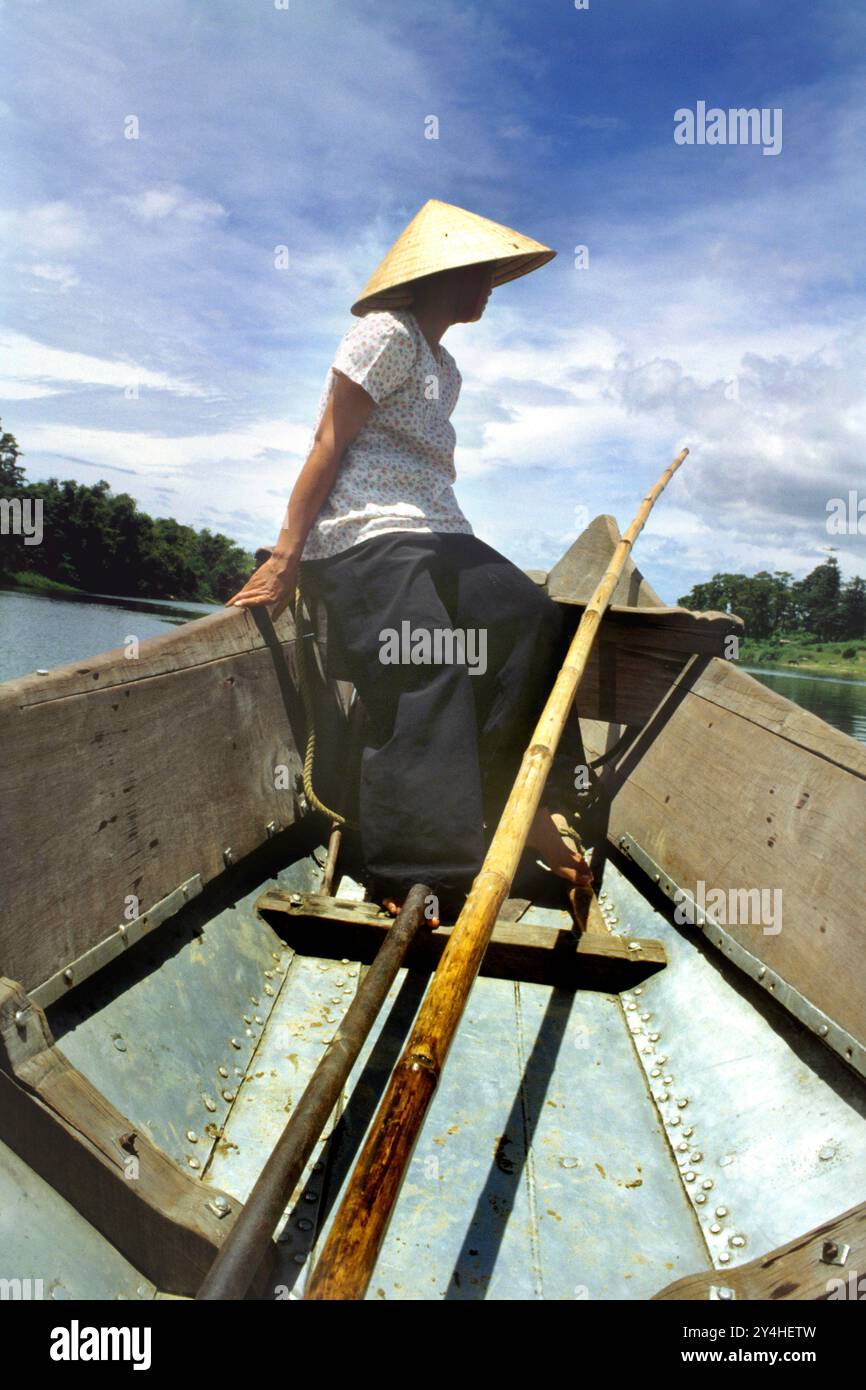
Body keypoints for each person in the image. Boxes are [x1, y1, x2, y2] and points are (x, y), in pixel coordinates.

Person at [227, 199, 592, 920]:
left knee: (532, 621)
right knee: (424, 656)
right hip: (363, 534)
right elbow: (328, 443)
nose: (489, 288)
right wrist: (287, 554)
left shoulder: (445, 368)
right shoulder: (383, 334)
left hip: (437, 532)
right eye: (478, 275)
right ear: (436, 277)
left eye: (491, 276)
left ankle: (501, 797)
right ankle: (410, 867)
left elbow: (423, 472)